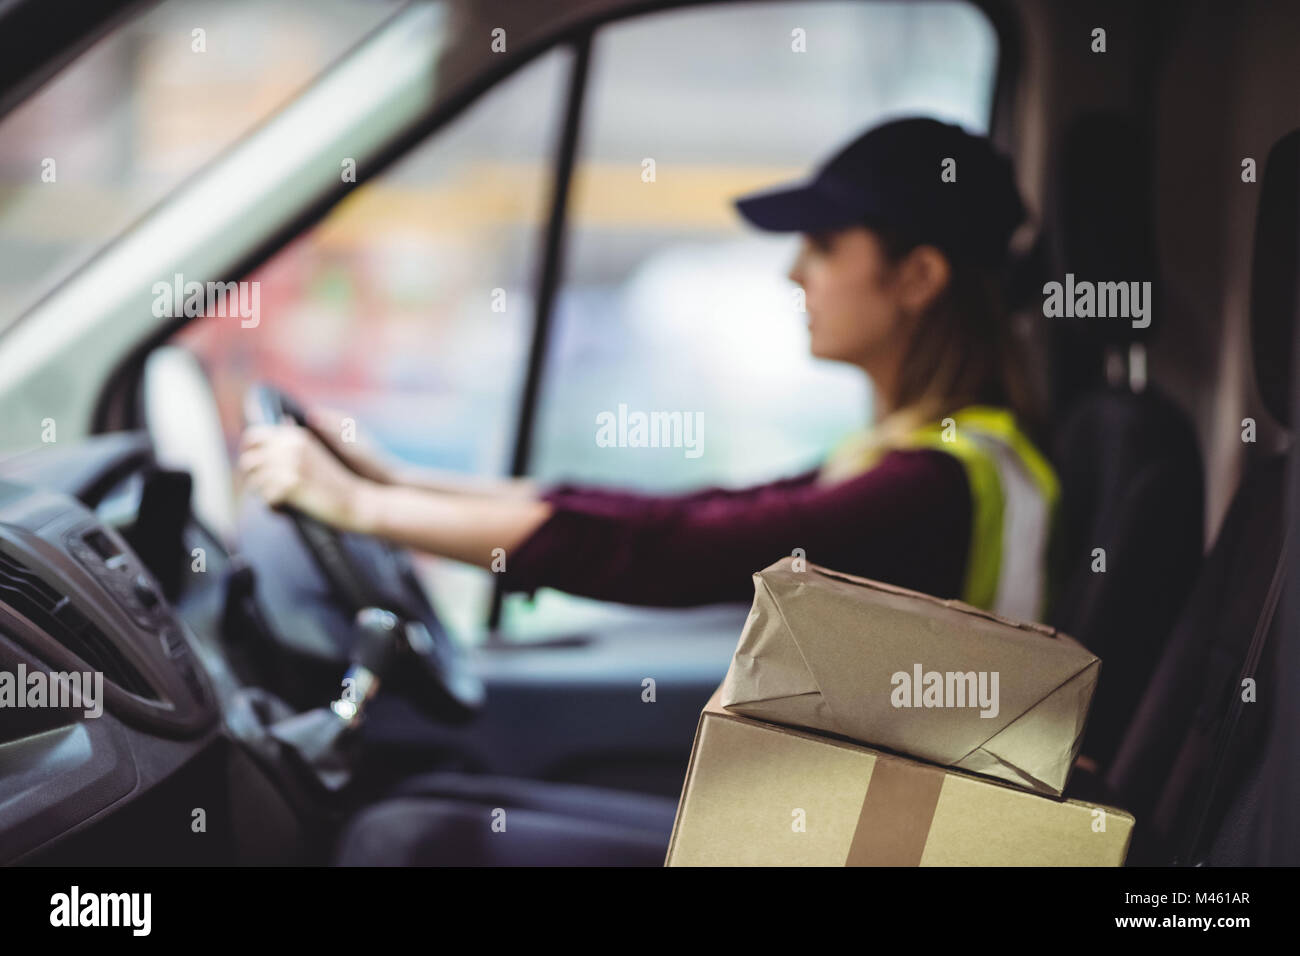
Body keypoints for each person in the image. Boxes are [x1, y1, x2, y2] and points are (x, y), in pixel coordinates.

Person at [239, 116, 1058, 631]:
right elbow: (691, 512)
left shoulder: (933, 482)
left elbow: (676, 550)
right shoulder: (925, 454)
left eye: (823, 247)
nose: (794, 275)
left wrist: (362, 506)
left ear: (917, 278)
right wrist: (406, 481)